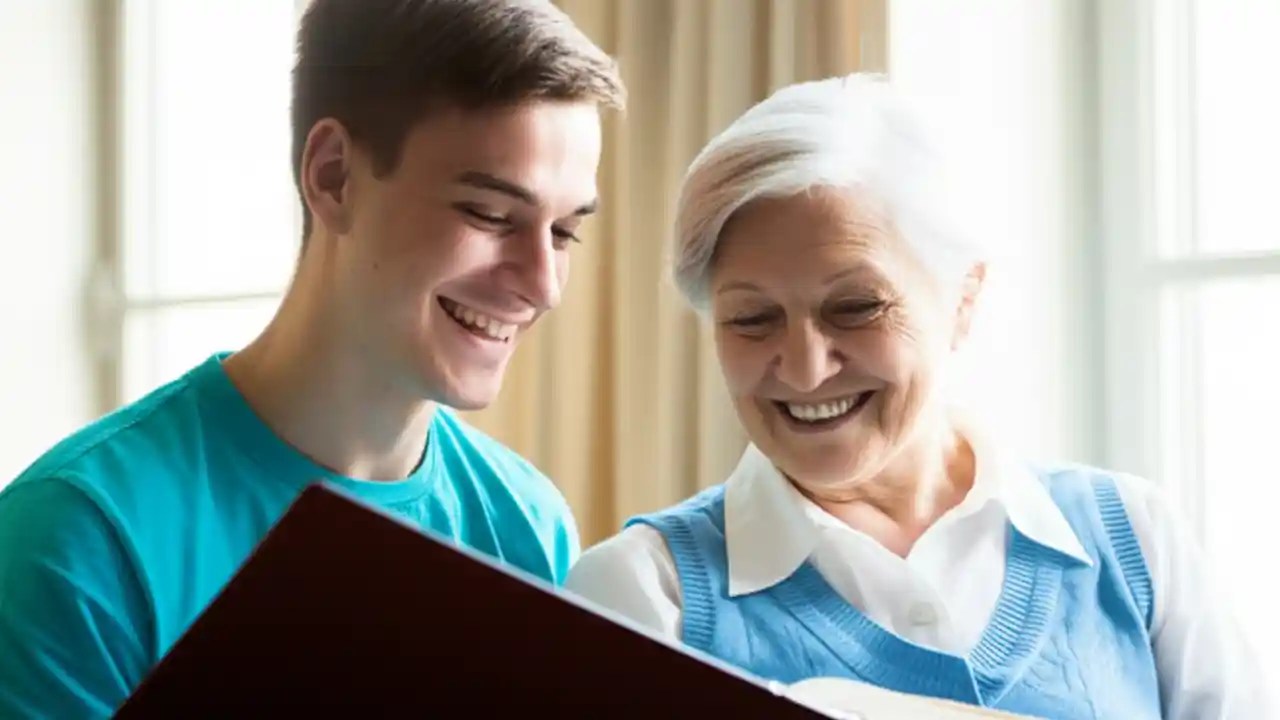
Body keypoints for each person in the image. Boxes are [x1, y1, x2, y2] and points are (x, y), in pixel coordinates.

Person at [565, 74, 1270, 718]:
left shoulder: (1134, 543)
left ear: (962, 301)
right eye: (752, 319)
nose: (806, 370)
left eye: (856, 307)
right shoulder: (642, 598)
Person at [0, 0, 624, 716]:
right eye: (489, 215)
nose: (542, 283)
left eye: (567, 231)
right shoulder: (79, 540)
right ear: (333, 176)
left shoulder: (529, 529)